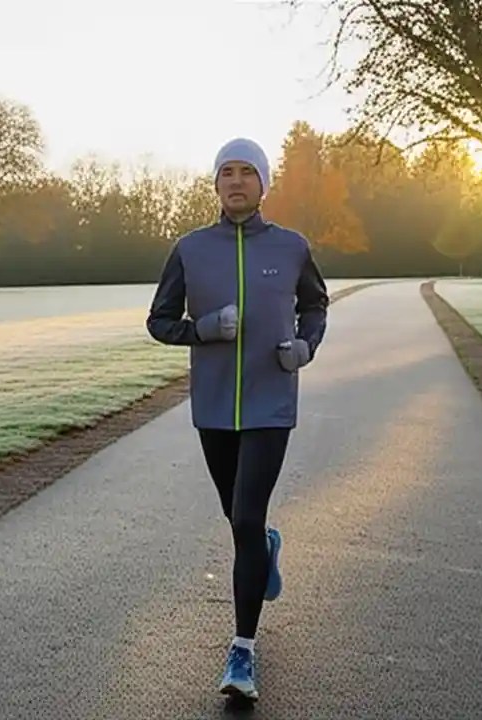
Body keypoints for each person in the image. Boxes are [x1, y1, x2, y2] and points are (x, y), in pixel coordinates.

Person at [145, 137, 329, 701]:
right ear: (216, 184)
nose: (236, 180)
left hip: (271, 403)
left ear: (263, 183)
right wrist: (202, 329)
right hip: (215, 406)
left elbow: (315, 304)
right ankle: (264, 547)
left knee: (246, 516)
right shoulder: (190, 249)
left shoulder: (292, 247)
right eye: (227, 172)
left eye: (247, 171)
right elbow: (159, 321)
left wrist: (305, 346)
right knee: (238, 519)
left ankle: (242, 651)